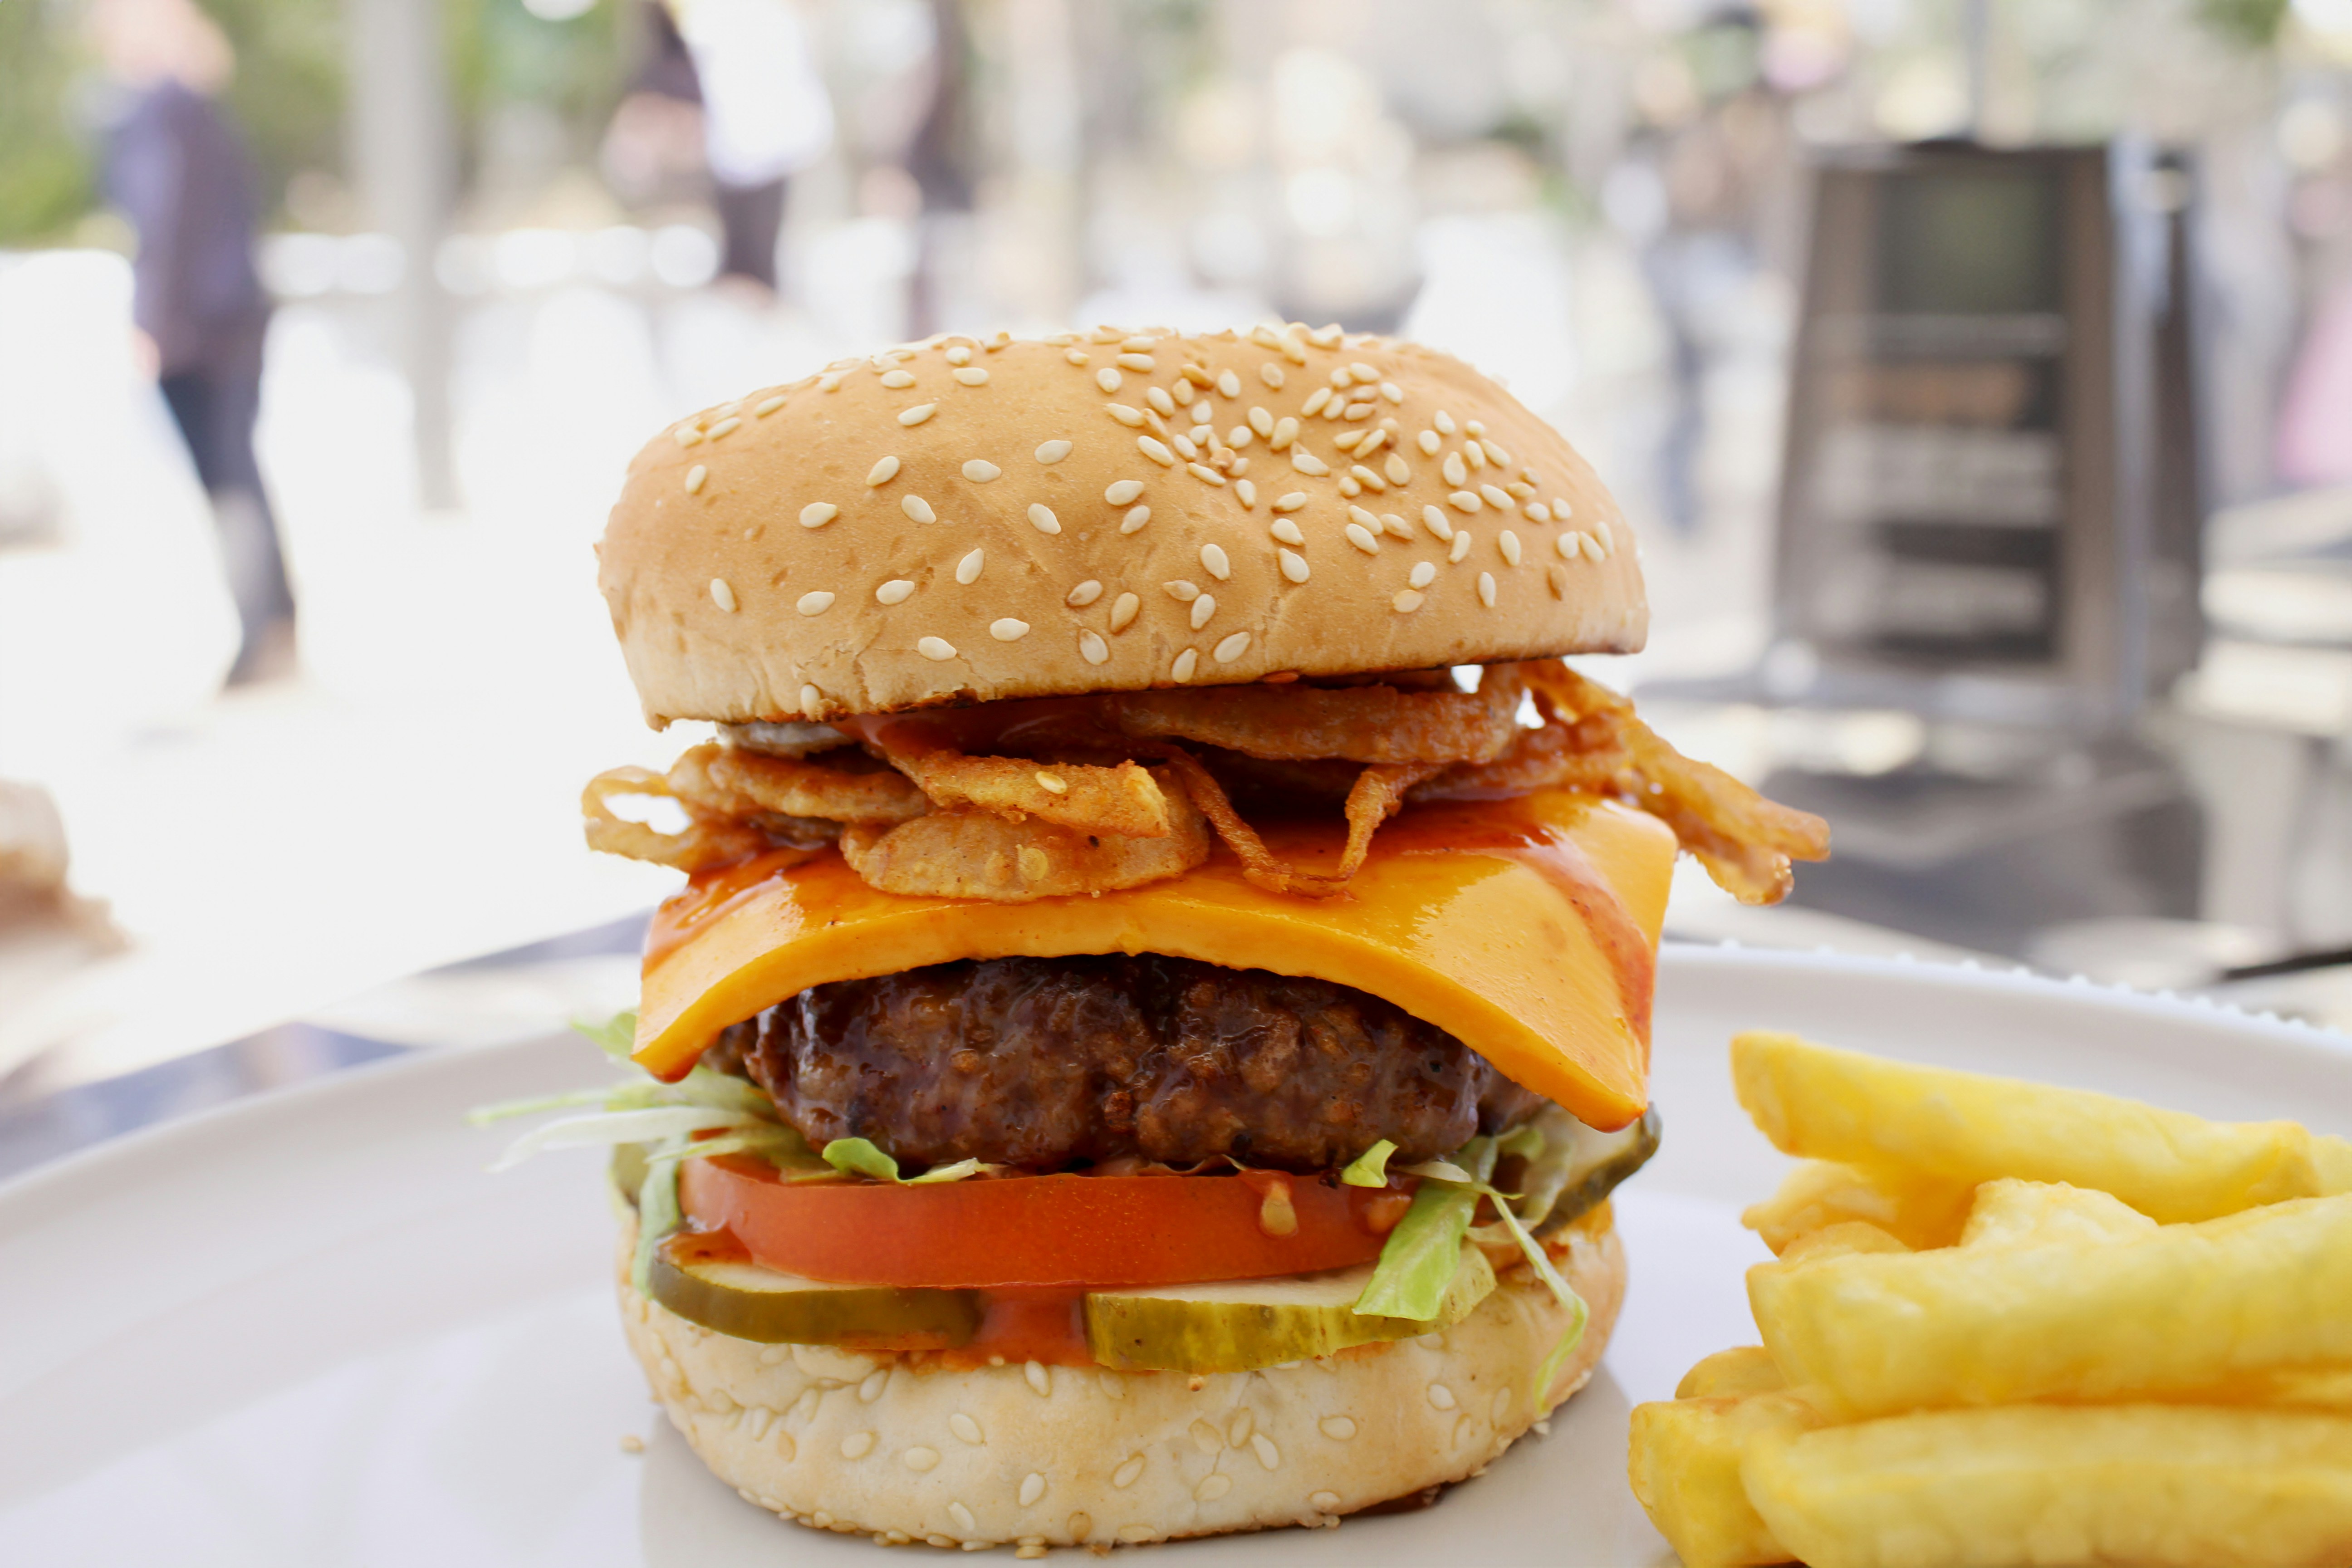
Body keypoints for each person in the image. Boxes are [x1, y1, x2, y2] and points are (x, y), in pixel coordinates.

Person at [88, 0, 295, 683]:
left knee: (227, 481)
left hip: (195, 329)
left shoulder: (161, 111)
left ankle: (261, 637)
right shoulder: (202, 108)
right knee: (241, 474)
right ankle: (275, 631)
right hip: (231, 316)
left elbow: (164, 222)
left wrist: (150, 323)